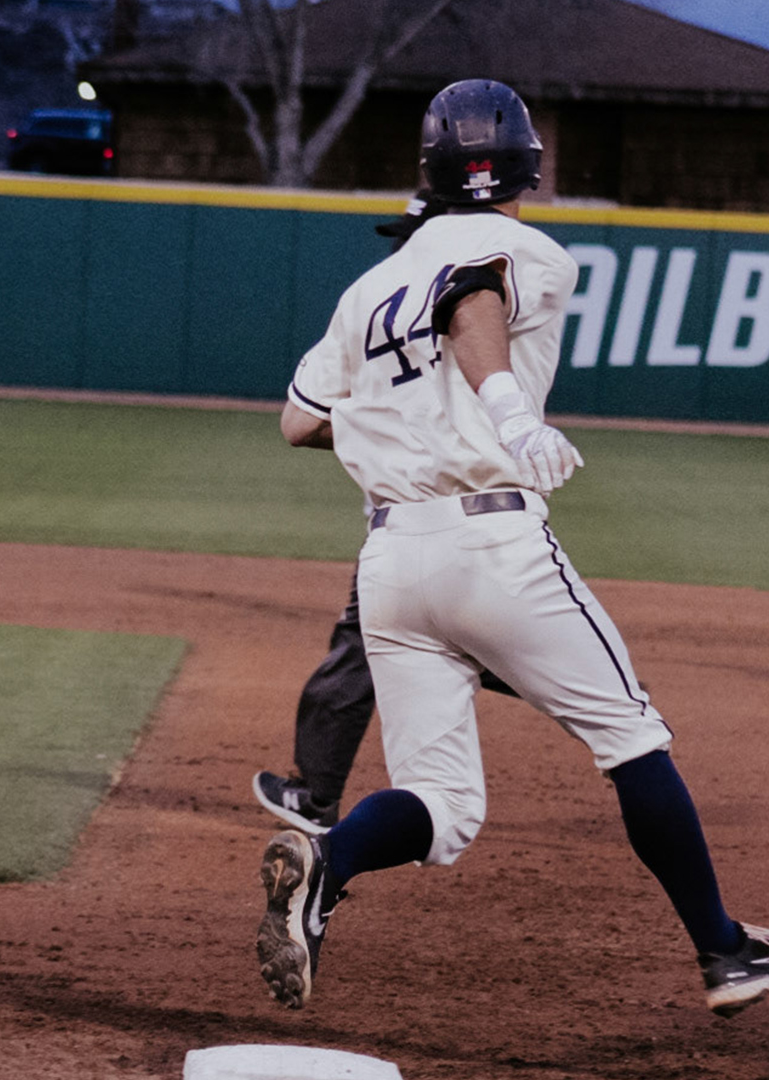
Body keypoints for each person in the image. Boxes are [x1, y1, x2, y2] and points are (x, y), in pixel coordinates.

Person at [255, 78, 769, 1019]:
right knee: (630, 736)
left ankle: (330, 862)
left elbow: (297, 422)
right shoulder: (526, 249)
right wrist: (509, 417)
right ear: (527, 166)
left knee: (440, 803)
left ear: (426, 171)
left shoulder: (364, 291)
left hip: (391, 562)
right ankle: (724, 952)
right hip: (493, 541)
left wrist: (396, 420)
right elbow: (472, 301)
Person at [251, 188, 520, 838]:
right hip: (497, 518)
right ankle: (608, 696)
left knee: (376, 640)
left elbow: (297, 424)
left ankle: (315, 801)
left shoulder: (368, 309)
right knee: (472, 631)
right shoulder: (489, 298)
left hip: (408, 531)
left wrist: (381, 430)